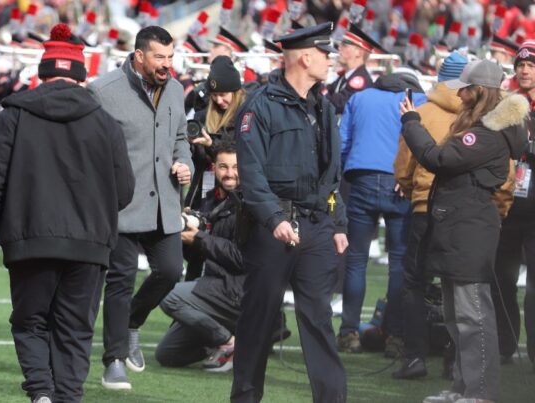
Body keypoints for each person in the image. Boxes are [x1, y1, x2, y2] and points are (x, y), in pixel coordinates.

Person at [0, 24, 134, 403]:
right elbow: (124, 192)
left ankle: (41, 392)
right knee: (74, 329)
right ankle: (66, 395)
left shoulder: (13, 115)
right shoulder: (105, 122)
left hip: (31, 239)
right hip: (89, 243)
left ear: (42, 72)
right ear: (80, 74)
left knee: (30, 323)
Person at [231, 22, 349, 403]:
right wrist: (274, 219)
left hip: (316, 228)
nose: (331, 60)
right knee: (259, 322)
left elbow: (331, 176)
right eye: (326, 53)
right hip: (272, 231)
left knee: (319, 322)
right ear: (304, 57)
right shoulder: (259, 106)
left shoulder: (325, 108)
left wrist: (338, 222)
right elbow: (250, 174)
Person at [399, 60, 528, 403]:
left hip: (469, 229)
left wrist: (412, 122)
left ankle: (480, 391)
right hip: (460, 226)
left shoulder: (487, 133)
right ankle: (463, 388)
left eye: (466, 88)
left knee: (473, 317)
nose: (461, 93)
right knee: (457, 316)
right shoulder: (486, 128)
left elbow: (439, 159)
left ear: (479, 91)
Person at [87, 25, 193, 390]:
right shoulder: (102, 90)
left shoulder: (177, 89)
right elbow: (89, 148)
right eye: (159, 57)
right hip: (120, 206)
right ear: (139, 56)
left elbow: (181, 138)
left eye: (170, 57)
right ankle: (113, 359)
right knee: (119, 280)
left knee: (170, 270)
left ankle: (132, 322)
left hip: (165, 204)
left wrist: (186, 164)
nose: (167, 64)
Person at [336, 69, 427, 356]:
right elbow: (426, 142)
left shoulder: (360, 98)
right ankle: (395, 337)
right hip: (398, 183)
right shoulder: (419, 99)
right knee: (399, 263)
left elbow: (343, 141)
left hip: (362, 178)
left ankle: (349, 332)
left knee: (356, 261)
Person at [392, 51, 470, 379]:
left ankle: (414, 357)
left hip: (424, 208)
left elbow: (403, 168)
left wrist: (413, 192)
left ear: (439, 79)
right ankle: (455, 361)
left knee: (414, 283)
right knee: (457, 284)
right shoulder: (475, 117)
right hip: (463, 212)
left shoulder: (420, 113)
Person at [155, 143, 242, 371]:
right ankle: (224, 341)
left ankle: (229, 343)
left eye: (235, 167)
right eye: (224, 167)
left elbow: (242, 258)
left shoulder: (250, 204)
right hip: (211, 289)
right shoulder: (210, 200)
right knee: (167, 354)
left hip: (237, 291)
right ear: (215, 168)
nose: (230, 173)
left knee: (169, 296)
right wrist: (184, 231)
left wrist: (201, 239)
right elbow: (195, 253)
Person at [492, 40, 535, 371]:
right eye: (521, 65)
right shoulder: (506, 103)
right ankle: (505, 344)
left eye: (531, 65)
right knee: (502, 279)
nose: (524, 70)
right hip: (507, 204)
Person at [185, 55, 245, 222]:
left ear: (235, 91)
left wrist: (211, 145)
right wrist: (190, 145)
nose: (219, 100)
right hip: (203, 189)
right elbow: (195, 159)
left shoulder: (246, 117)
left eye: (223, 94)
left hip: (233, 190)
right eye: (214, 95)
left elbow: (240, 153)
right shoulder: (202, 117)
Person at [326, 23, 385, 115]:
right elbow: (329, 91)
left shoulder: (360, 80)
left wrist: (320, 89)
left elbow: (338, 104)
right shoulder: (345, 76)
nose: (339, 47)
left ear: (359, 52)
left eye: (345, 45)